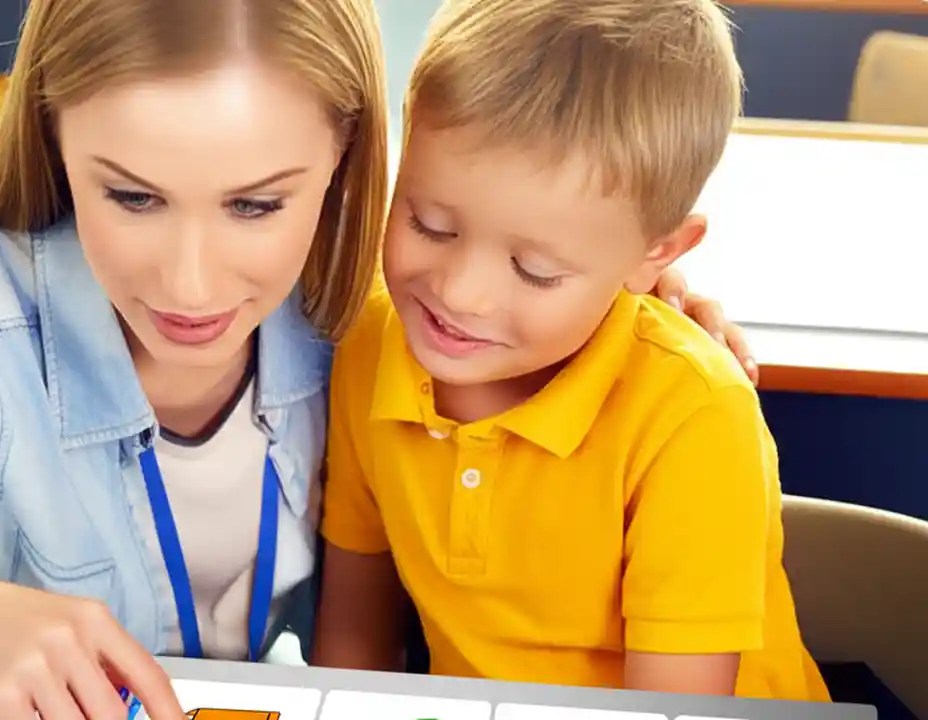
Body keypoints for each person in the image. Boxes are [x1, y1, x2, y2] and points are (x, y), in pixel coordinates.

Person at [0, 1, 751, 719]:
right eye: (128, 194)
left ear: (349, 166)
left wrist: (625, 304)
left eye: (256, 204)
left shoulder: (381, 309)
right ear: (48, 132)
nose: (188, 285)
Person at [313, 0, 829, 702]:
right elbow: (353, 645)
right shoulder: (371, 341)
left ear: (658, 254)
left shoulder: (694, 420)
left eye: (536, 271)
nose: (459, 293)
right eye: (428, 223)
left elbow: (674, 716)